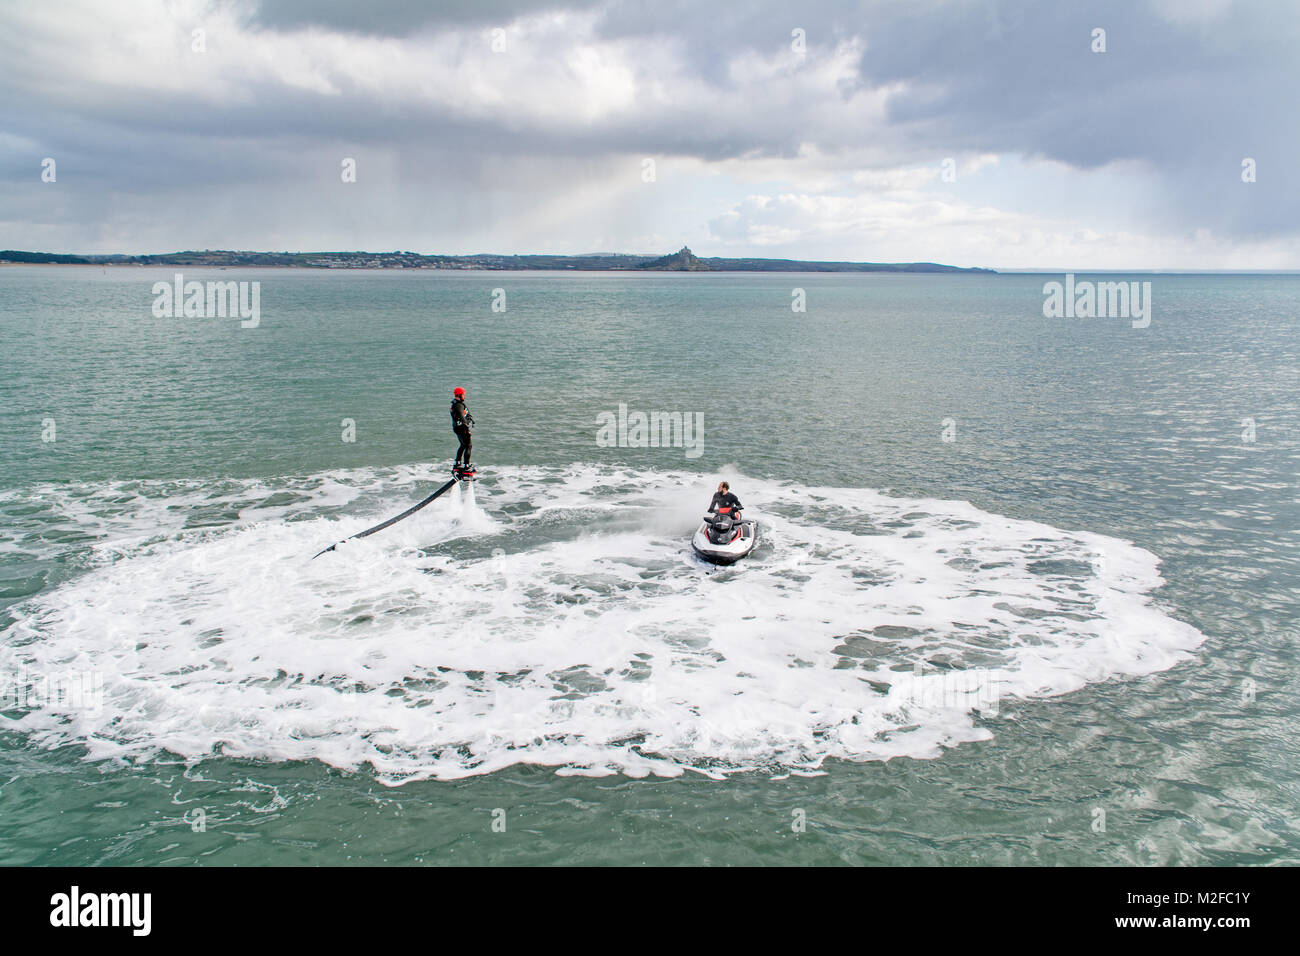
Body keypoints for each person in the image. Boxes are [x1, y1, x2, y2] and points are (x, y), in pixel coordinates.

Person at [450, 386, 475, 471]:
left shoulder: (455, 404)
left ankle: (457, 463)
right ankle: (466, 465)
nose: (465, 396)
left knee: (463, 445)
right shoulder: (458, 405)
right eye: (464, 395)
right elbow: (461, 417)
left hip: (457, 428)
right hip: (462, 428)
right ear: (459, 395)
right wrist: (467, 430)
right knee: (469, 445)